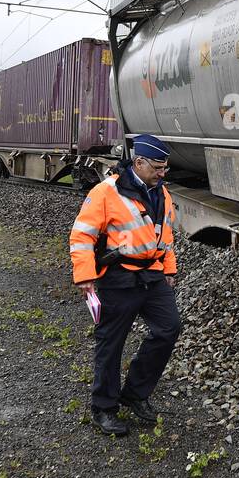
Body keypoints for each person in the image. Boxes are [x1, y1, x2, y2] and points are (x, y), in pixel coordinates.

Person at [69, 134, 180, 436]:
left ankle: (134, 394)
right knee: (111, 343)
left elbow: (165, 236)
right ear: (139, 162)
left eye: (165, 169)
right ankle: (104, 408)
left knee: (169, 328)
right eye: (157, 167)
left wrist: (168, 270)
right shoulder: (106, 192)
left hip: (152, 275)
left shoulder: (162, 193)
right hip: (117, 279)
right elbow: (82, 235)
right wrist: (85, 275)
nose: (162, 173)